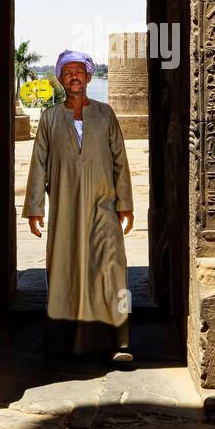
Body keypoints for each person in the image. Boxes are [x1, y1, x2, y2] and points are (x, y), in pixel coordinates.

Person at [23, 49, 135, 364]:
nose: (74, 76)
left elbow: (120, 162)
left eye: (80, 71)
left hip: (104, 207)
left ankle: (118, 342)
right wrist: (35, 208)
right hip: (65, 209)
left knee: (111, 270)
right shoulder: (50, 118)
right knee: (65, 270)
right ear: (61, 79)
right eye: (68, 72)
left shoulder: (105, 114)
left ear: (88, 77)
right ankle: (63, 342)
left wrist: (125, 204)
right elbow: (39, 165)